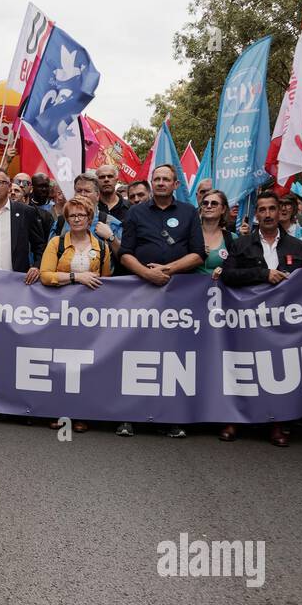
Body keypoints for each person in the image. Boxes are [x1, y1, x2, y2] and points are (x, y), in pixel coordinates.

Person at [115, 164, 205, 438]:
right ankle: (128, 416)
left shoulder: (189, 212)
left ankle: (171, 417)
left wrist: (167, 270)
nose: (161, 183)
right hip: (141, 294)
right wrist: (146, 273)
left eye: (166, 179)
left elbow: (198, 254)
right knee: (135, 355)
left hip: (178, 297)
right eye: (157, 179)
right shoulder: (136, 212)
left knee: (171, 357)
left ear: (176, 184)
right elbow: (125, 253)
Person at [217, 190, 302, 447]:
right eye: (262, 210)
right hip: (248, 320)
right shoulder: (241, 244)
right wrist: (263, 274)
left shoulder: (297, 246)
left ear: (280, 211)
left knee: (278, 371)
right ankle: (234, 420)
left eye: (272, 209)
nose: (268, 214)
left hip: (283, 321)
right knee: (243, 369)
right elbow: (228, 276)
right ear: (256, 214)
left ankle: (277, 424)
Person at [37, 194, 113, 432]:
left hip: (89, 316)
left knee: (86, 365)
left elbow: (107, 281)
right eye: (73, 215)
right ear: (67, 218)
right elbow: (46, 275)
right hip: (60, 313)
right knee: (59, 362)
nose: (77, 219)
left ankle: (82, 413)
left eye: (82, 215)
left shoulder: (102, 246)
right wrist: (75, 277)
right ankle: (59, 410)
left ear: (90, 217)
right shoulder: (56, 243)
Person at [196, 189, 234, 275]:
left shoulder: (231, 238)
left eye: (214, 203)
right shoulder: (189, 233)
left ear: (223, 209)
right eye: (205, 203)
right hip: (190, 286)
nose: (209, 206)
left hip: (219, 287)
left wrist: (225, 271)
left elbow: (237, 267)